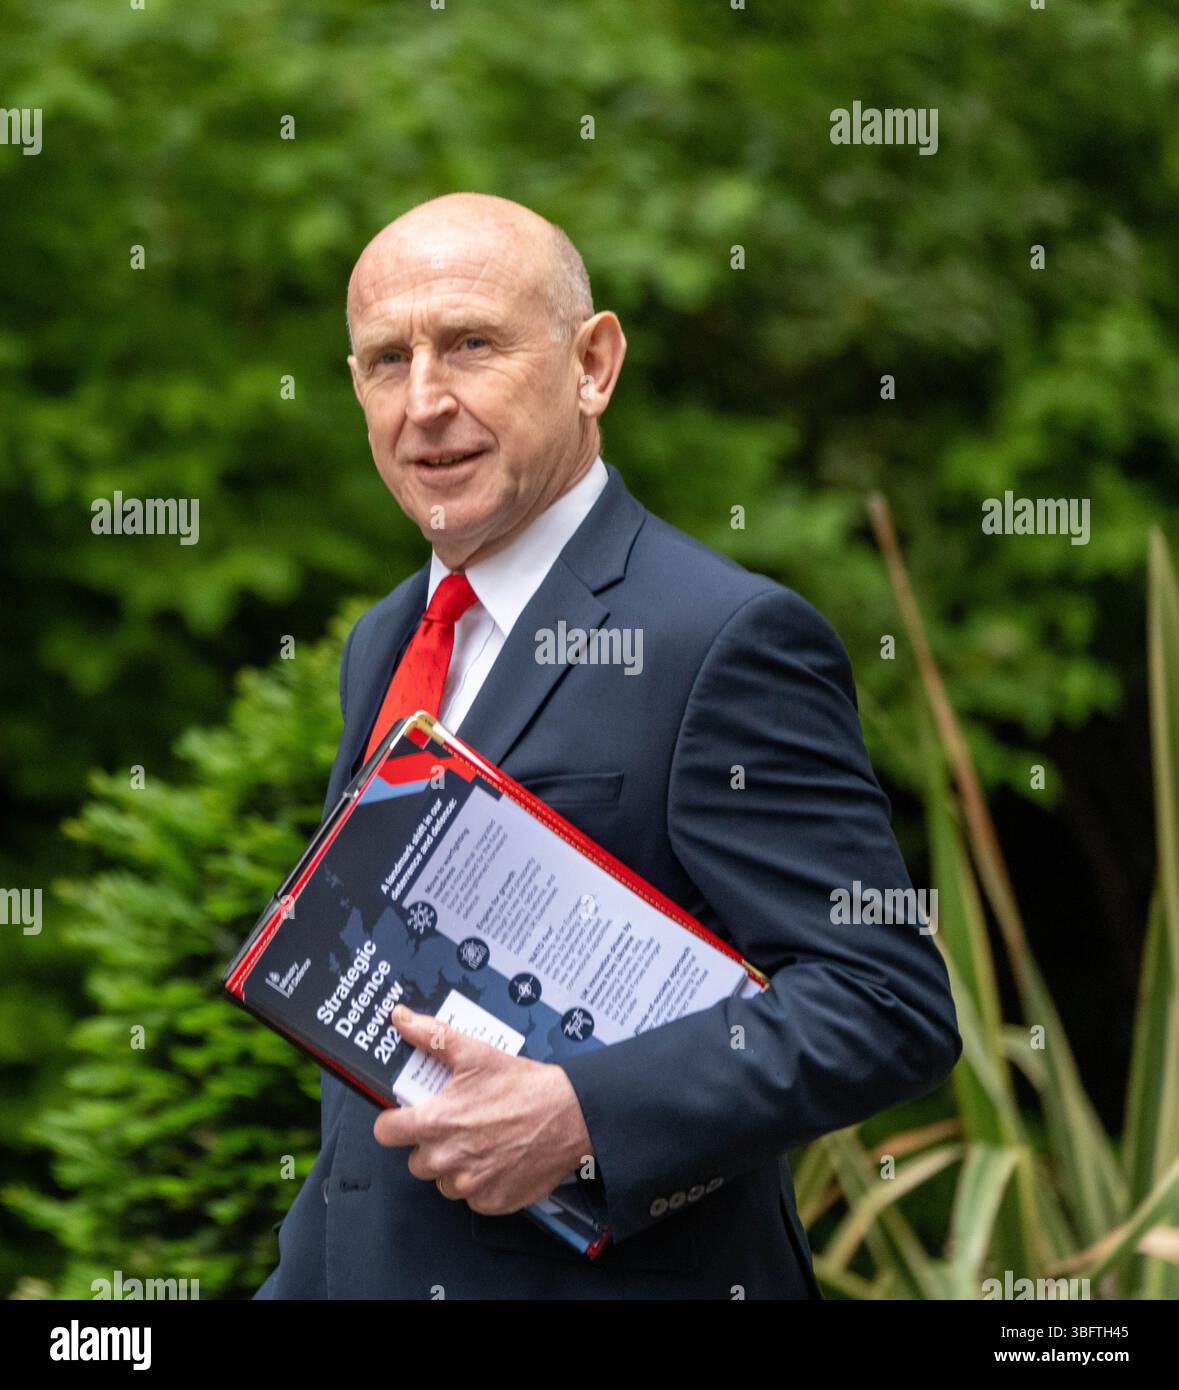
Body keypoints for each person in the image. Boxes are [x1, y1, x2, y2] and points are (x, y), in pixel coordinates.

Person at [254, 191, 961, 1300]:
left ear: (594, 365)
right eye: (388, 361)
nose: (426, 400)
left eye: (472, 344)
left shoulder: (722, 638)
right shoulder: (384, 639)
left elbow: (885, 1003)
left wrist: (583, 1117)